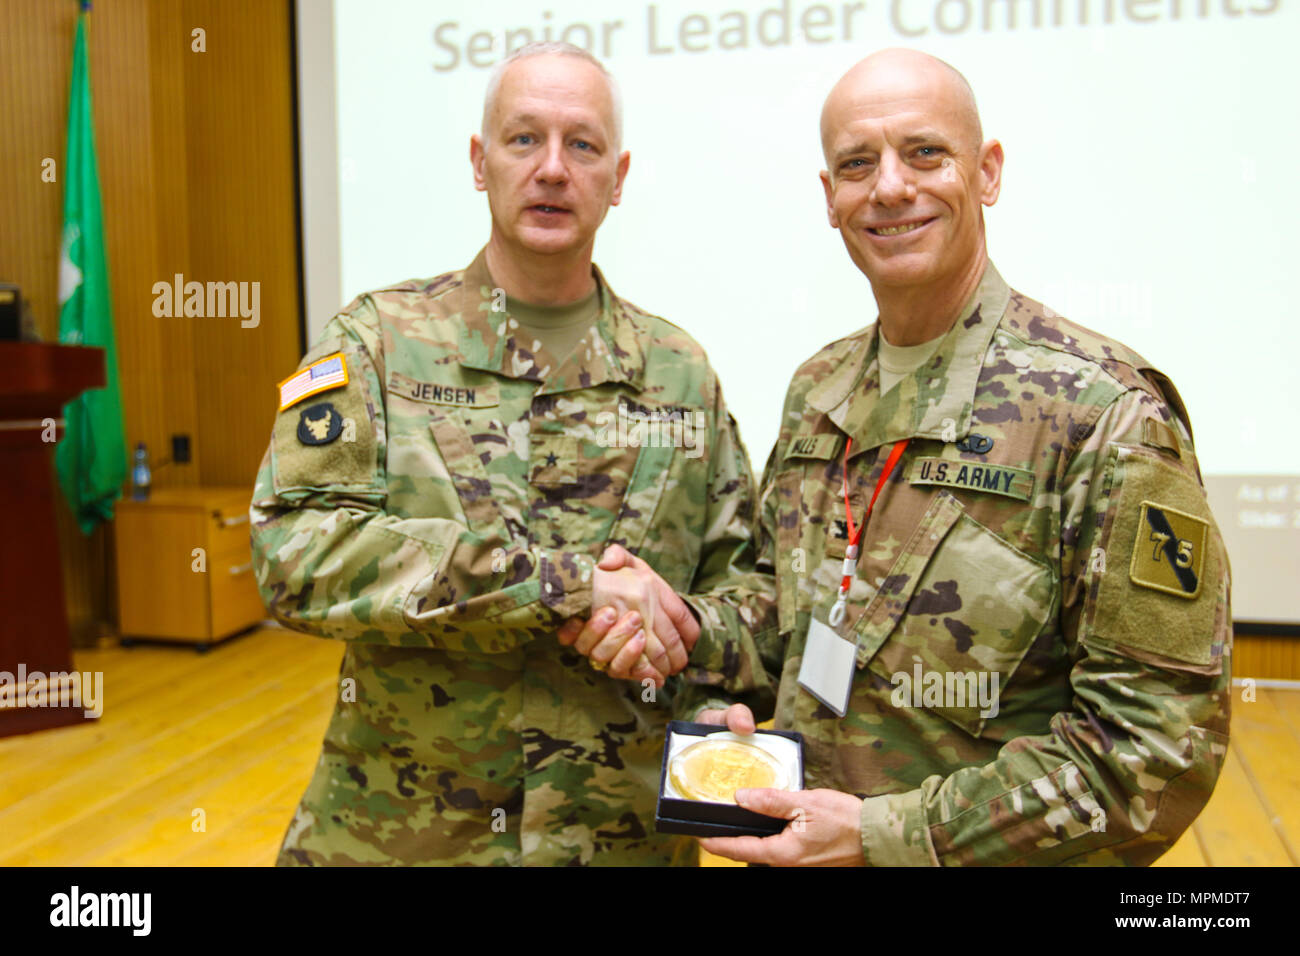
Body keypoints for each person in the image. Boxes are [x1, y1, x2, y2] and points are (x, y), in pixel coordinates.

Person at [575, 48, 1232, 866]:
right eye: (858, 163)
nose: (890, 187)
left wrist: (885, 837)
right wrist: (684, 644)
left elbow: (1154, 753)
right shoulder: (820, 389)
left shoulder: (1104, 415)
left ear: (986, 172)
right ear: (830, 198)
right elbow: (797, 623)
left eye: (925, 152)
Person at [249, 41, 763, 866]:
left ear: (619, 176)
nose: (553, 168)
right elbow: (293, 553)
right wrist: (563, 587)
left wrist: (681, 633)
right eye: (524, 139)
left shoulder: (679, 372)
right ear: (480, 162)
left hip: (617, 844)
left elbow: (754, 596)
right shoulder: (376, 341)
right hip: (404, 843)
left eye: (582, 145)